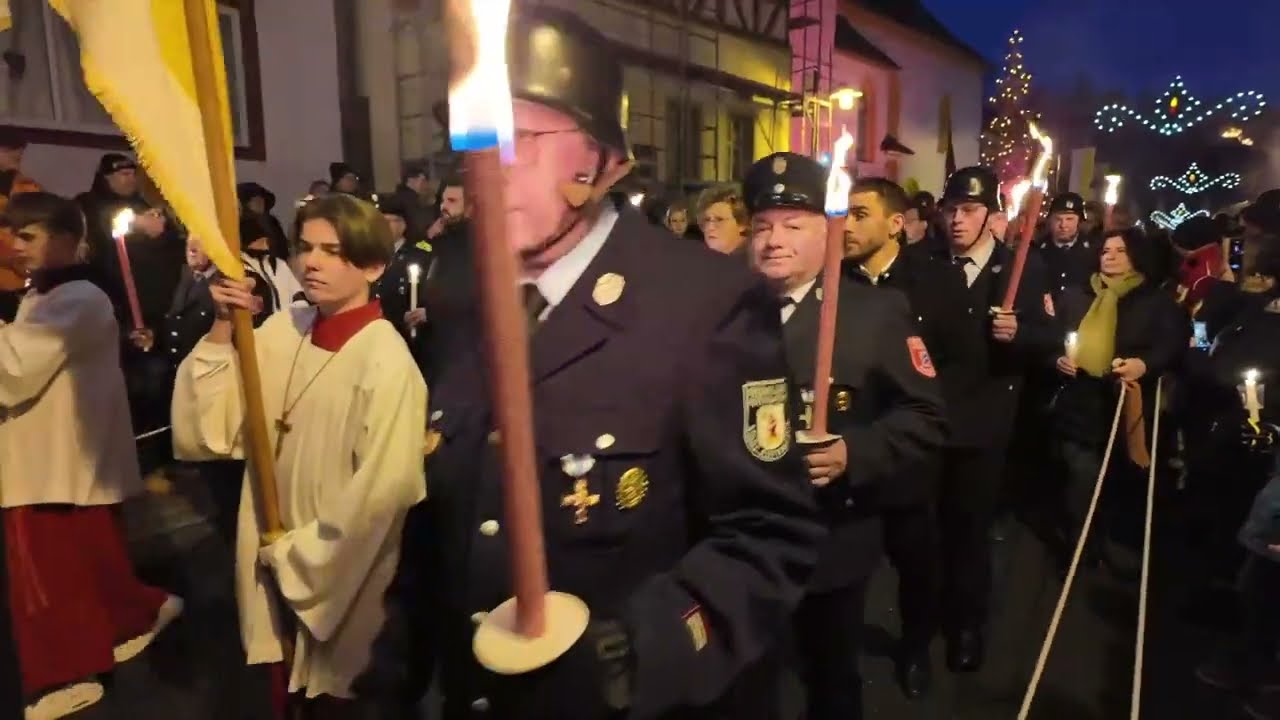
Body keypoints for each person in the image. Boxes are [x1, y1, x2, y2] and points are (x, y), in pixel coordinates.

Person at [360, 7, 823, 719]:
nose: (489, 164)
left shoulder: (702, 303)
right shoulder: (460, 294)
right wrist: (388, 686)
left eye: (524, 136)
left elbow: (769, 537)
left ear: (602, 160)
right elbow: (437, 533)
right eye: (477, 138)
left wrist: (631, 657)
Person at [171, 193, 427, 714]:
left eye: (333, 251)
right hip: (272, 539)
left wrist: (297, 558)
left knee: (338, 692)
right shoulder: (286, 330)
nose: (311, 262)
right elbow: (217, 427)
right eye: (306, 247)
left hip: (335, 570)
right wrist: (223, 324)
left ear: (374, 266)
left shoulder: (387, 362)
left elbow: (383, 493)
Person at [744, 154, 945, 719]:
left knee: (829, 675)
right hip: (740, 538)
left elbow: (926, 416)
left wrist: (852, 452)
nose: (773, 240)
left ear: (828, 232)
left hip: (828, 535)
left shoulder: (874, 314)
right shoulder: (726, 310)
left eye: (793, 225)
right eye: (762, 226)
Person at [0, 191, 183, 719]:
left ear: (64, 239)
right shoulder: (50, 294)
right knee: (87, 566)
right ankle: (133, 618)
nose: (15, 246)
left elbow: (14, 373)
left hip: (55, 461)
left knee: (48, 580)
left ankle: (67, 673)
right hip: (52, 458)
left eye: (27, 235)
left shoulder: (76, 297)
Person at [842, 176, 978, 696]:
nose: (847, 227)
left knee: (915, 559)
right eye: (844, 215)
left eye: (859, 215)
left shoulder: (936, 282)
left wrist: (921, 428)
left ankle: (916, 644)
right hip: (850, 446)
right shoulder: (839, 281)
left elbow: (958, 363)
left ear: (895, 224)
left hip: (906, 450)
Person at [928, 166, 1060, 671]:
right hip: (928, 416)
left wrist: (1019, 332)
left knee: (970, 529)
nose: (957, 220)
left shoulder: (1022, 269)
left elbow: (1051, 336)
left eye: (969, 210)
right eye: (951, 210)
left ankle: (967, 624)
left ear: (991, 216)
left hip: (985, 420)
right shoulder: (927, 263)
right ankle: (925, 617)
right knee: (926, 529)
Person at [1050, 228, 1187, 566]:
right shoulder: (1078, 295)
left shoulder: (1153, 300)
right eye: (1105, 250)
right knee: (1080, 477)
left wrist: (1144, 363)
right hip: (1081, 399)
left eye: (1119, 251)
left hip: (1125, 403)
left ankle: (1111, 539)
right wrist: (1058, 358)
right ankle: (1080, 546)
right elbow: (1051, 338)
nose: (1109, 256)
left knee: (1118, 480)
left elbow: (1172, 346)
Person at [372, 193, 433, 349]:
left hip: (407, 336)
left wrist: (404, 316)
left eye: (388, 222)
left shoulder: (418, 254)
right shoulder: (373, 254)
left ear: (403, 224)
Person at [0, 129, 40, 322]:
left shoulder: (28, 187)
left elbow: (40, 227)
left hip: (20, 286)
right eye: (9, 149)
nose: (18, 154)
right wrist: (10, 259)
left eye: (20, 149)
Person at [239, 214, 305, 324]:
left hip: (287, 328)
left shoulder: (278, 264)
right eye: (260, 242)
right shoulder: (240, 267)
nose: (265, 246)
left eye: (267, 241)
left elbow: (297, 295)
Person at [1037, 192, 1096, 301]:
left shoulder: (1094, 251)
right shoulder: (1036, 251)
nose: (1063, 225)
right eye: (1058, 219)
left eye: (1069, 219)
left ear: (1079, 221)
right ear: (1050, 220)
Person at [696, 183, 748, 256]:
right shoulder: (700, 256)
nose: (710, 227)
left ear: (742, 224)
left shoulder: (756, 260)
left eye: (719, 220)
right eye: (707, 220)